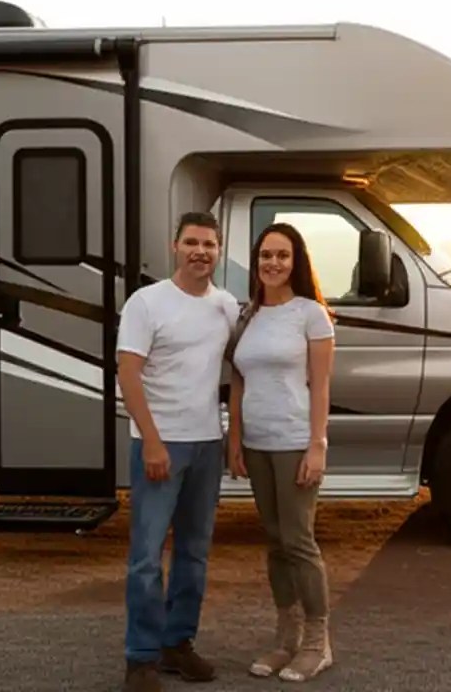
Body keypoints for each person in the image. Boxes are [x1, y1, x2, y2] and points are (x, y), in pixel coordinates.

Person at [116, 211, 240, 692]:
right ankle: (141, 657)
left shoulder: (225, 307)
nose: (200, 252)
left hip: (207, 443)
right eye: (191, 242)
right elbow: (129, 373)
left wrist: (233, 434)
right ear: (175, 247)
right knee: (147, 555)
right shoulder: (146, 303)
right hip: (159, 444)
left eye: (209, 244)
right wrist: (150, 438)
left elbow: (245, 363)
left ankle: (177, 644)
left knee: (194, 551)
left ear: (218, 250)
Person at [226, 222, 336, 683]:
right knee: (274, 542)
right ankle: (285, 640)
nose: (273, 263)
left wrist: (317, 445)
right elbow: (237, 378)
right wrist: (235, 439)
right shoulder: (247, 315)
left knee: (298, 542)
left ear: (296, 262)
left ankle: (317, 643)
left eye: (282, 255)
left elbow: (322, 384)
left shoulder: (311, 315)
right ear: (256, 263)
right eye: (265, 255)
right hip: (258, 444)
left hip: (295, 442)